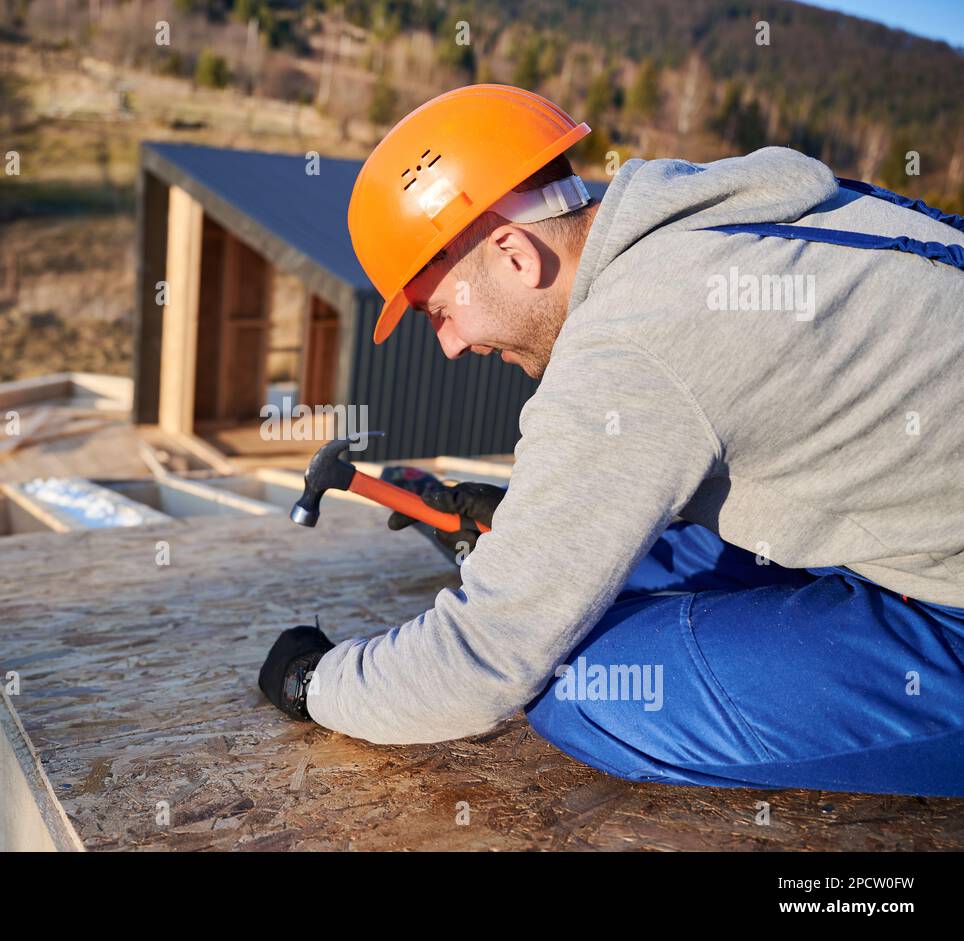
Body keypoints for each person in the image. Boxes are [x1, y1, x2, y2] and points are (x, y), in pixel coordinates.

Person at [259, 84, 964, 797]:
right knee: (649, 559)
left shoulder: (631, 343)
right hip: (927, 516)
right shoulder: (703, 221)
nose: (449, 346)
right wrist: (529, 528)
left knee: (584, 682)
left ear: (512, 253)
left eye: (440, 311)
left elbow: (482, 661)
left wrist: (316, 681)